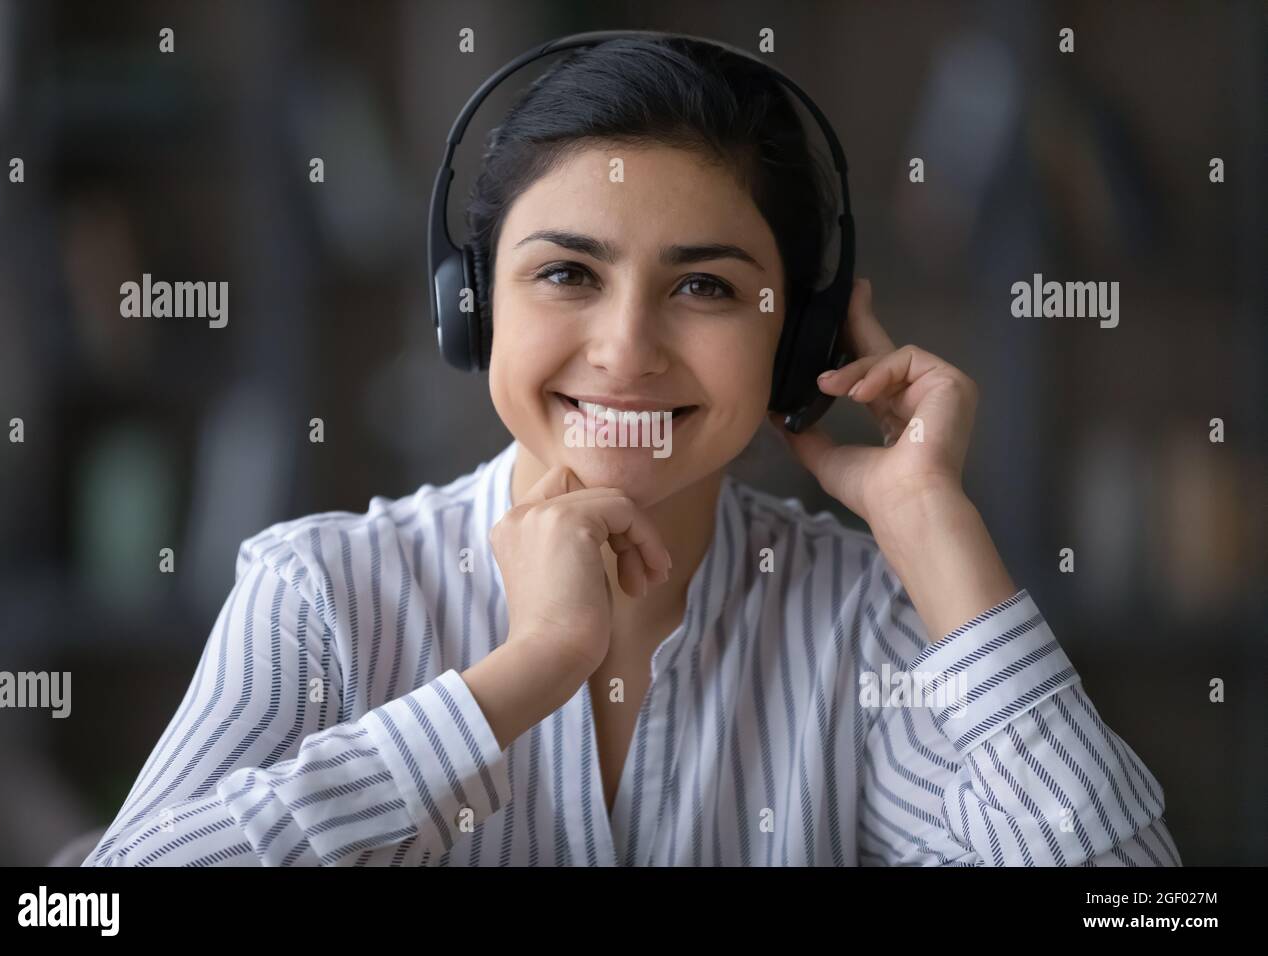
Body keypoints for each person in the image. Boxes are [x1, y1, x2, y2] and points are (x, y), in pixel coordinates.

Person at [84, 35, 1179, 867]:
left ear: (801, 336)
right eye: (567, 273)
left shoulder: (863, 622)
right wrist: (527, 670)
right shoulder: (322, 592)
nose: (625, 349)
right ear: (471, 308)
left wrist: (932, 529)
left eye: (703, 286)